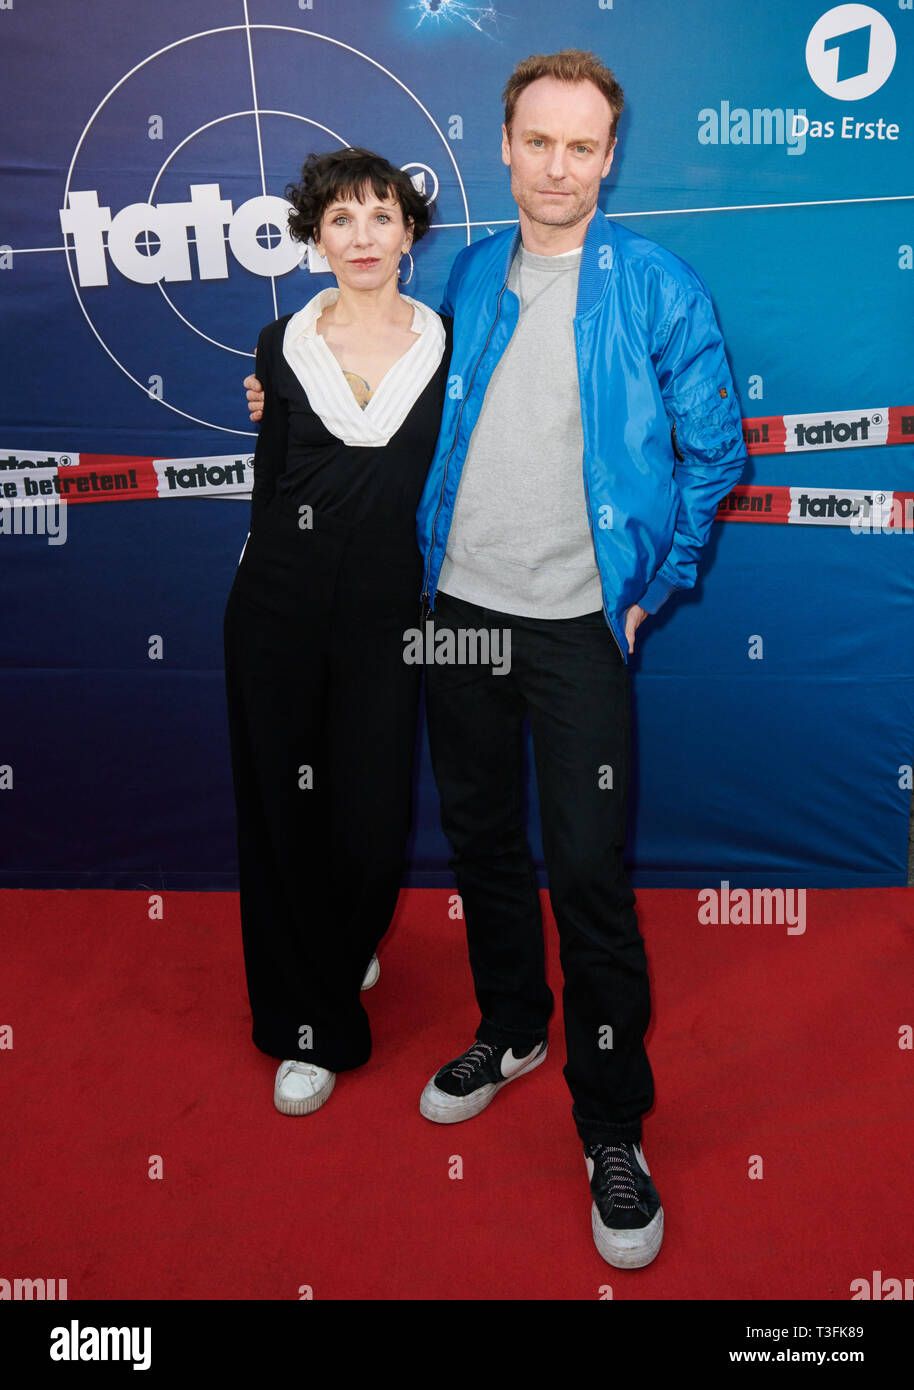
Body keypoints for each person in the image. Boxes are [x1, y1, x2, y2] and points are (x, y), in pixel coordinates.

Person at [245, 50, 747, 1269]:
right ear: (505, 147)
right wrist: (276, 393)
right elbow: (379, 374)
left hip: (579, 625)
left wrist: (653, 587)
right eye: (539, 142)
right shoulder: (466, 273)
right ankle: (511, 1025)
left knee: (585, 869)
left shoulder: (657, 287)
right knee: (477, 841)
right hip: (456, 614)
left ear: (607, 157)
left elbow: (713, 453)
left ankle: (610, 1121)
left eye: (583, 146)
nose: (559, 166)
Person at [226, 147, 450, 1118]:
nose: (362, 236)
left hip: (387, 620)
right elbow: (270, 481)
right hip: (274, 610)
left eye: (381, 216)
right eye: (341, 220)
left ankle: (339, 943)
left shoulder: (451, 344)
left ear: (409, 233)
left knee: (367, 821)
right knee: (280, 815)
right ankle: (305, 1025)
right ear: (315, 239)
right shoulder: (280, 343)